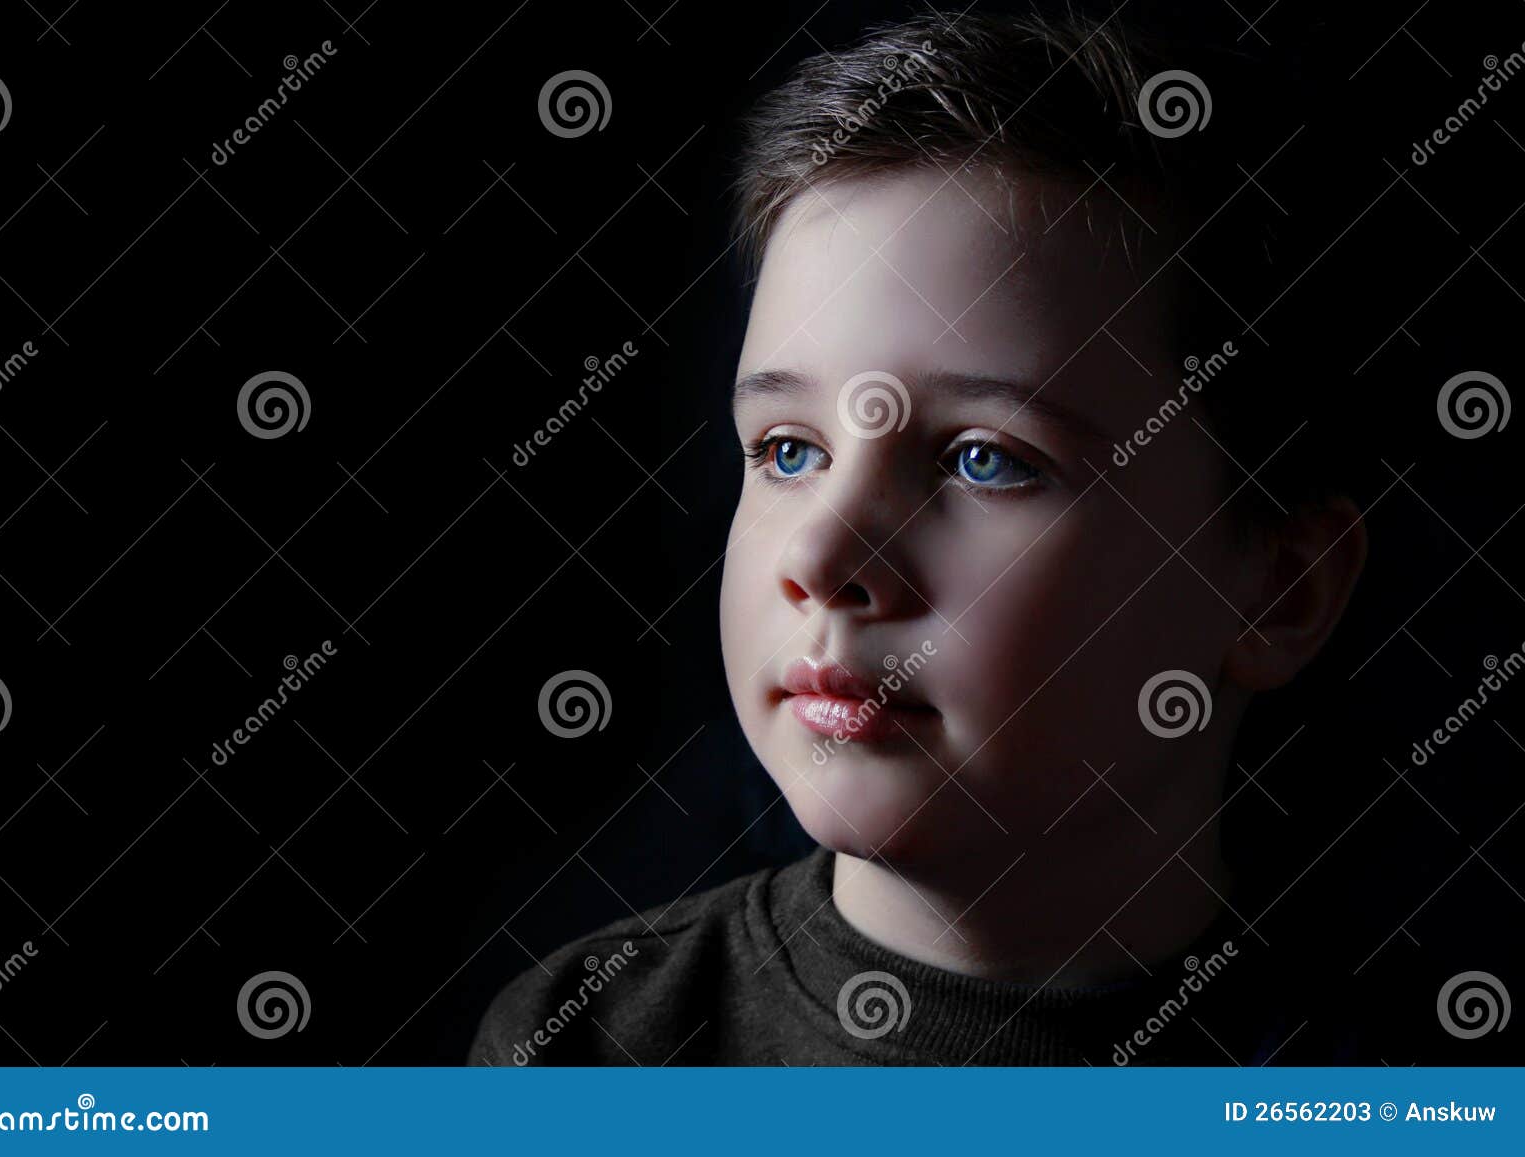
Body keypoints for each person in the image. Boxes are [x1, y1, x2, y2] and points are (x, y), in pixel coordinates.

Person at [468, 7, 1371, 1065]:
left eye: (983, 459)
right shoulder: (590, 1047)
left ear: (1278, 589)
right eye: (789, 450)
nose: (819, 561)